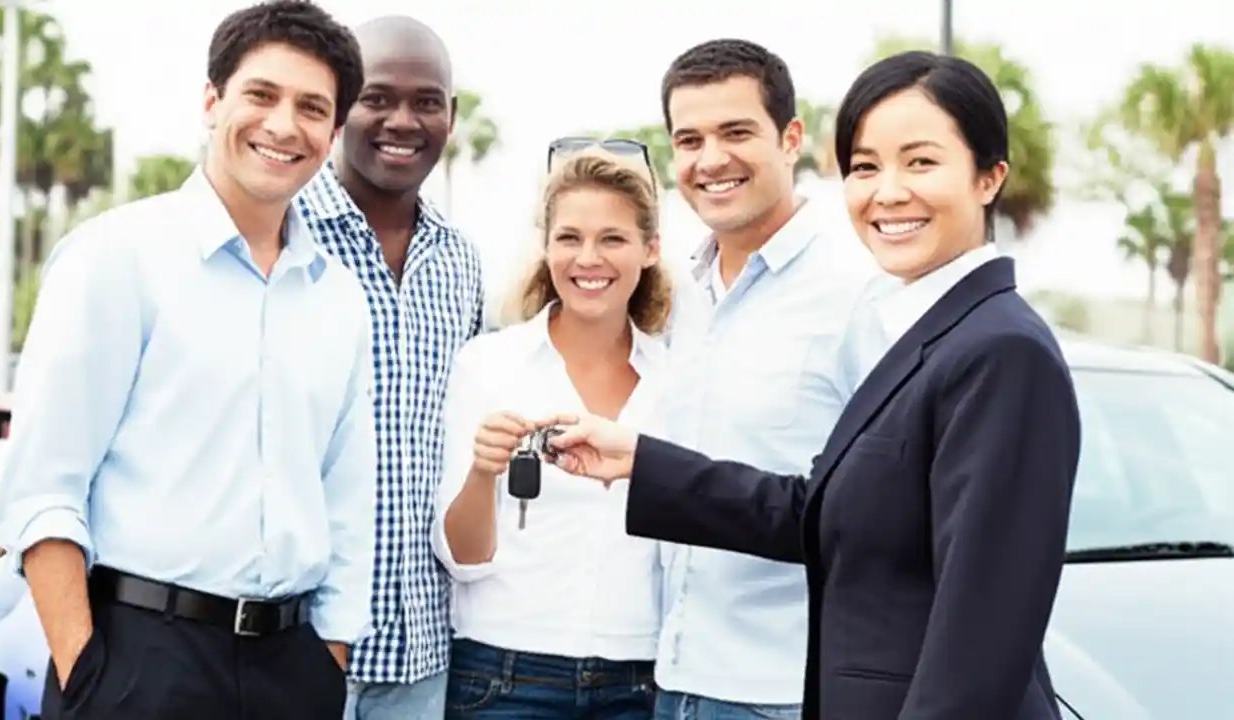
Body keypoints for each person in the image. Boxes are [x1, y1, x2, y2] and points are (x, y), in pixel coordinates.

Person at [542, 50, 1083, 720]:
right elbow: (827, 514)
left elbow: (981, 641)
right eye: (865, 167)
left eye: (921, 162)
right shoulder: (929, 330)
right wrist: (642, 462)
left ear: (989, 177)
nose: (889, 192)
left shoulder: (999, 349)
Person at [0, 3, 375, 718]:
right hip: (137, 663)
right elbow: (43, 488)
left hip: (293, 670)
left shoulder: (339, 299)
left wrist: (329, 657)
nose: (283, 125)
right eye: (261, 94)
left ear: (332, 135)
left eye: (312, 108)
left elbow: (347, 502)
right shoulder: (114, 259)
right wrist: (87, 675)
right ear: (211, 101)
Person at [627, 38, 877, 719]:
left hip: (785, 691)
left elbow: (872, 510)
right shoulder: (678, 293)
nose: (710, 159)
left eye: (736, 132)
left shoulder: (860, 292)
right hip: (669, 678)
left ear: (791, 139)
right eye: (690, 140)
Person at [293, 15, 485, 719]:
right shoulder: (281, 234)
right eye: (377, 98)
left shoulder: (461, 262)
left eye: (426, 102)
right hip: (296, 648)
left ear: (450, 116)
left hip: (423, 657)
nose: (403, 121)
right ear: (342, 105)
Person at [433, 148, 669, 719]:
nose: (588, 258)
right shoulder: (487, 364)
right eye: (569, 238)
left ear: (650, 250)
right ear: (546, 247)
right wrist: (483, 471)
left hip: (640, 679)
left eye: (612, 239)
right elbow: (462, 558)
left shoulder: (678, 379)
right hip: (504, 677)